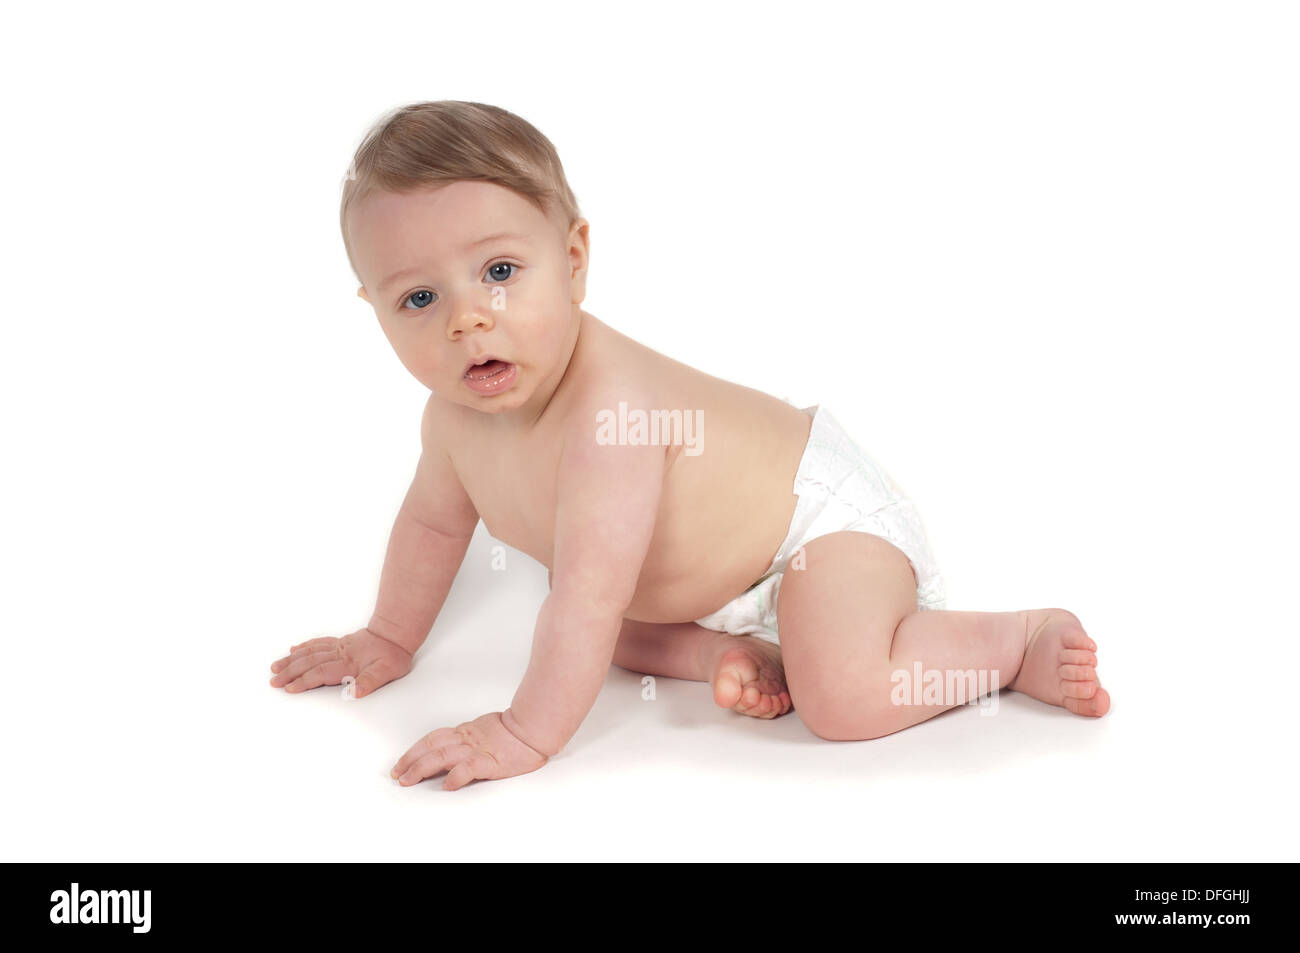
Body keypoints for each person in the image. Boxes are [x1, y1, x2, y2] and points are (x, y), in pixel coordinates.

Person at [269, 101, 1109, 791]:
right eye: (418, 297)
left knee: (840, 697)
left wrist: (524, 731)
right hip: (701, 585)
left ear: (572, 260)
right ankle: (735, 649)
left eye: (498, 272)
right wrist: (386, 636)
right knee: (587, 620)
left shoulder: (613, 412)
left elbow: (592, 597)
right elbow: (430, 529)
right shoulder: (449, 423)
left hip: (813, 533)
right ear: (374, 310)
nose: (466, 318)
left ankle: (1012, 644)